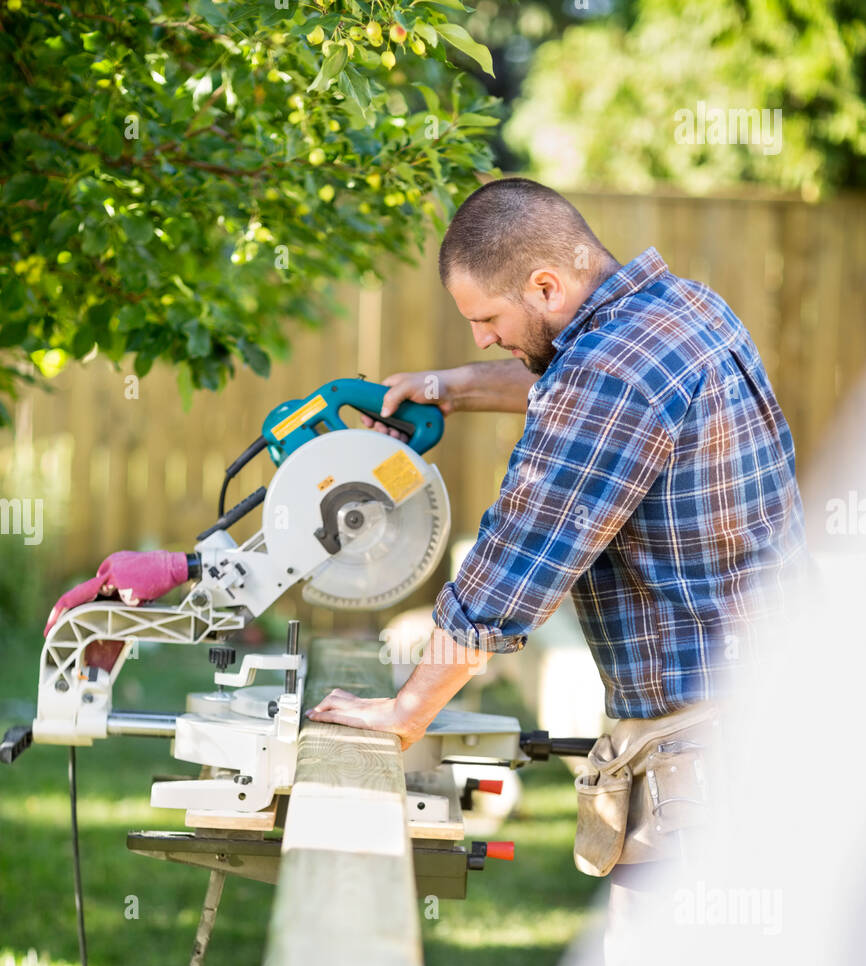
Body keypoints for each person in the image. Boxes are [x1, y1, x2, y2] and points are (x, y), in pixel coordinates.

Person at [47, 177, 811, 892]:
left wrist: (405, 712)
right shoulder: (681, 312)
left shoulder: (607, 377)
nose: (482, 339)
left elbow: (511, 569)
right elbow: (570, 384)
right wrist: (450, 388)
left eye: (488, 320)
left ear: (546, 286)